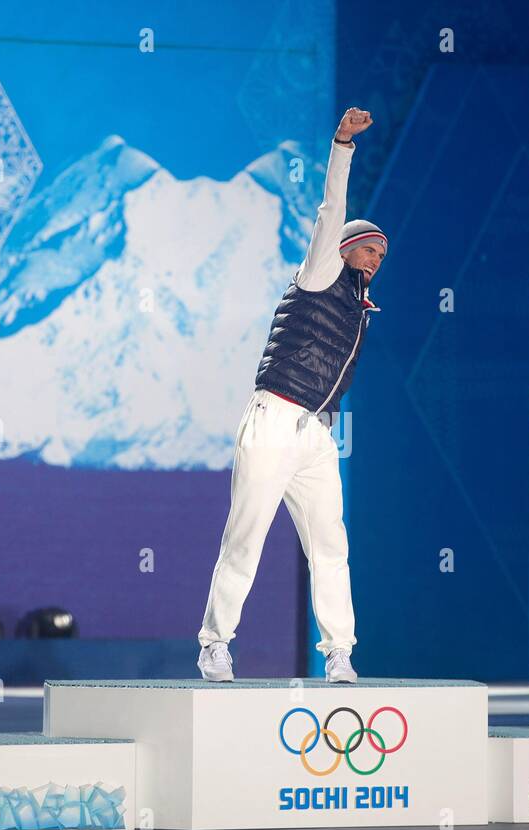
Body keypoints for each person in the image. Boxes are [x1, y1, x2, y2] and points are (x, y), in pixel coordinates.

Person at [197, 107, 385, 684]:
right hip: (274, 416)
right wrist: (343, 146)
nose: (377, 259)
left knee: (331, 543)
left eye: (382, 254)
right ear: (345, 249)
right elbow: (332, 210)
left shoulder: (360, 307)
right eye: (369, 248)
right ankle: (215, 643)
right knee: (247, 534)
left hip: (316, 433)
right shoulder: (319, 273)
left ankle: (339, 652)